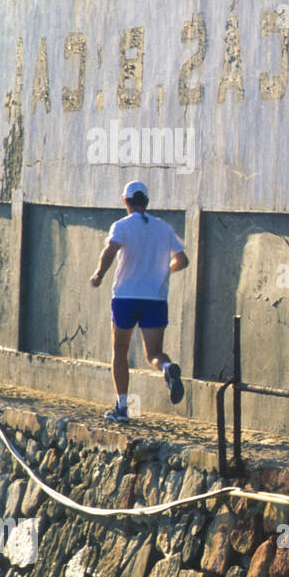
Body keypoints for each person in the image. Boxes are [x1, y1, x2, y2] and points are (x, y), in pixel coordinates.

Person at [89, 181, 190, 422]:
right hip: (155, 298)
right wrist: (163, 270)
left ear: (126, 202)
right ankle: (167, 369)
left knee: (120, 350)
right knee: (154, 353)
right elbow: (183, 260)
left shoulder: (121, 226)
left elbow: (110, 251)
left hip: (126, 297)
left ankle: (122, 407)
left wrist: (98, 274)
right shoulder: (163, 228)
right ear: (146, 202)